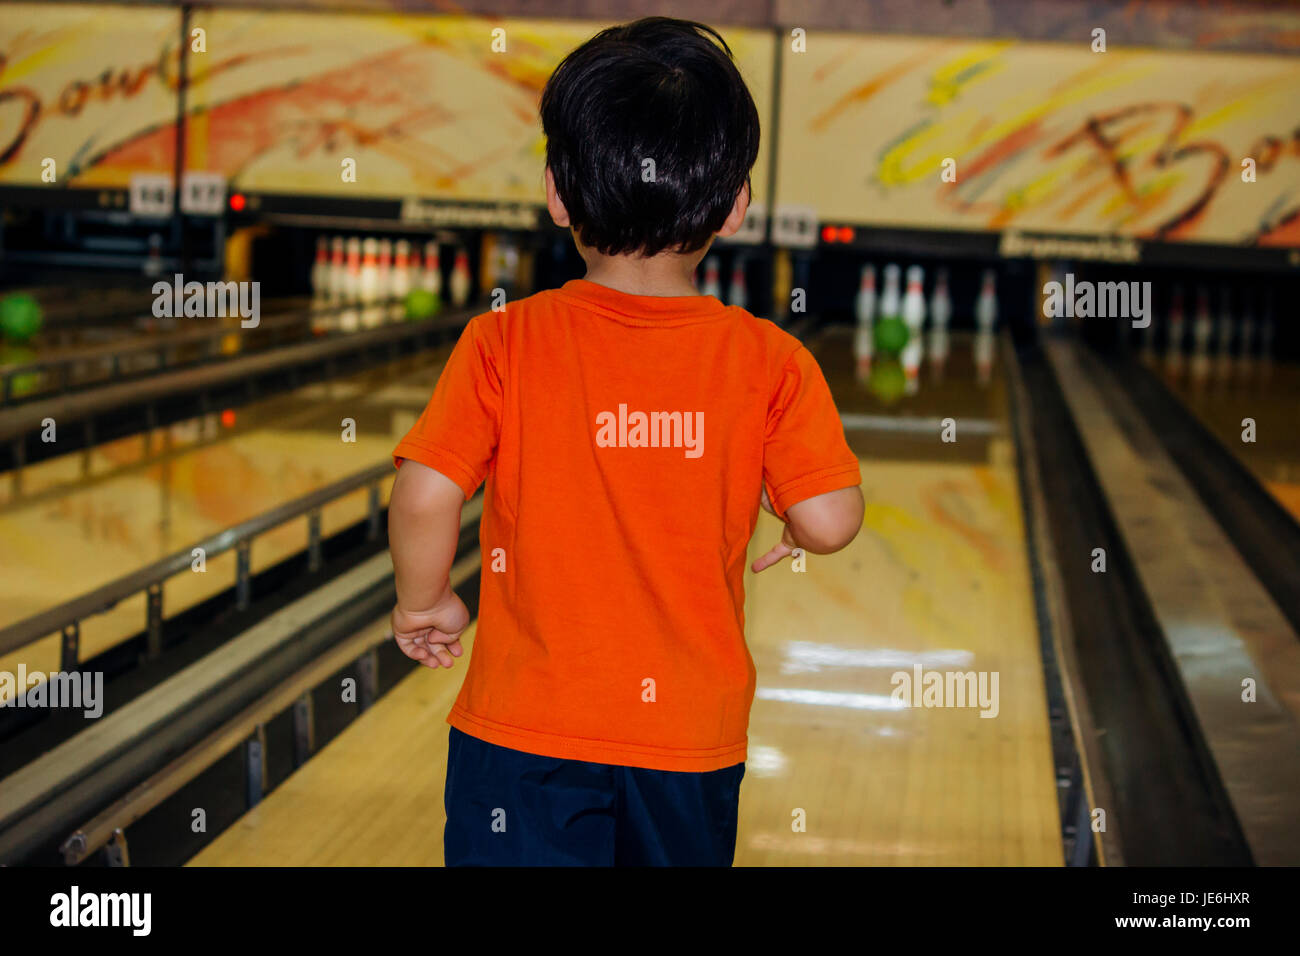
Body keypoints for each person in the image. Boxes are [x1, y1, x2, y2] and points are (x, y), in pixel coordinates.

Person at [388, 16, 863, 866]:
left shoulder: (503, 341)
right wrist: (793, 522)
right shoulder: (770, 360)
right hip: (687, 745)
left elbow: (425, 492)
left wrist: (424, 603)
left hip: (523, 736)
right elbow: (829, 518)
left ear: (557, 194)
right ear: (736, 205)